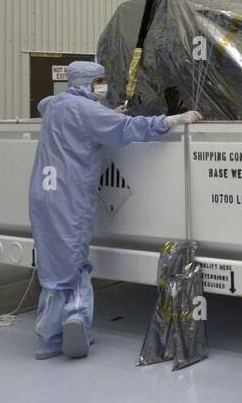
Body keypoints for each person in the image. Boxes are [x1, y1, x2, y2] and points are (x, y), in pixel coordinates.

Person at [28, 60, 200, 360]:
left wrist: (105, 115)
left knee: (54, 262)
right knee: (75, 260)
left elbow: (59, 109)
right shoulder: (87, 111)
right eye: (99, 80)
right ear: (88, 81)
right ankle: (76, 319)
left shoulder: (55, 105)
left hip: (43, 194)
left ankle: (48, 336)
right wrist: (170, 120)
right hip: (69, 196)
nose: (103, 85)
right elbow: (127, 129)